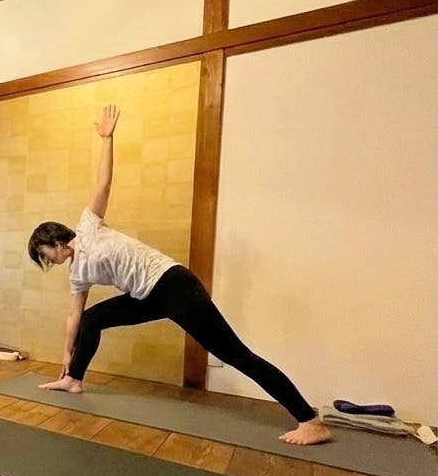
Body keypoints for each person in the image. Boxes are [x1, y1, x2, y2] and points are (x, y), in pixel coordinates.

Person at [27, 104, 330, 446]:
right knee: (92, 319)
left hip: (174, 286)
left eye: (43, 253)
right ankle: (74, 379)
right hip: (147, 297)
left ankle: (309, 420)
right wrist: (67, 357)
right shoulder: (77, 273)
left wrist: (107, 139)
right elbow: (75, 315)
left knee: (234, 354)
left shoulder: (88, 227)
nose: (47, 260)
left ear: (53, 240)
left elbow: (104, 182)